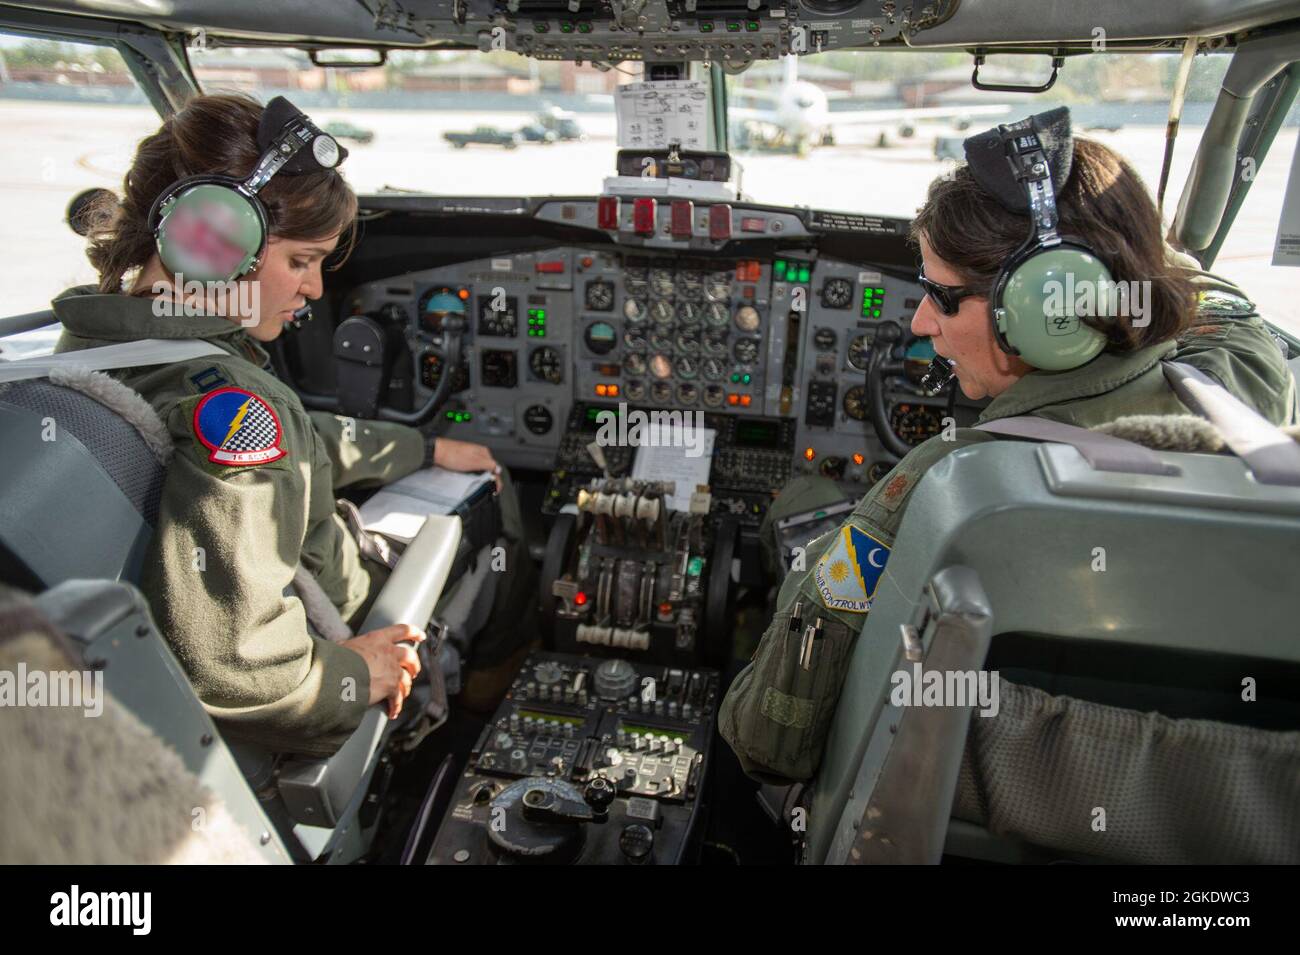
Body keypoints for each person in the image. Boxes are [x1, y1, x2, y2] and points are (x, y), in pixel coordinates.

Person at [720, 108, 1299, 784]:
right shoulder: (1241, 375)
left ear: (1041, 312)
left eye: (941, 295)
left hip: (923, 805)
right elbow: (1201, 287)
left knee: (805, 507)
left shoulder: (949, 486)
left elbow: (768, 744)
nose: (918, 321)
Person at [51, 93, 515, 757]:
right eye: (302, 260)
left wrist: (426, 446)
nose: (316, 290)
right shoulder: (237, 403)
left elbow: (294, 446)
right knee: (495, 509)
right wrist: (361, 673)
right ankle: (478, 711)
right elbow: (236, 663)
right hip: (337, 620)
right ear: (209, 243)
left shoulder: (92, 347)